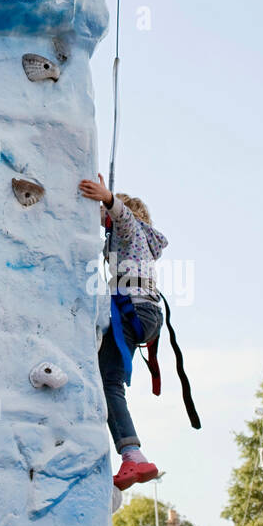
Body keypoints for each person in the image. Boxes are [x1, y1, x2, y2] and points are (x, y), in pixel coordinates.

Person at [79, 174, 166, 489]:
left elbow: (123, 218)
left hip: (133, 310)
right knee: (108, 378)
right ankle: (135, 457)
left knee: (109, 383)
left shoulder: (131, 233)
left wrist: (108, 198)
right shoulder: (134, 242)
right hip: (144, 313)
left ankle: (132, 455)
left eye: (105, 217)